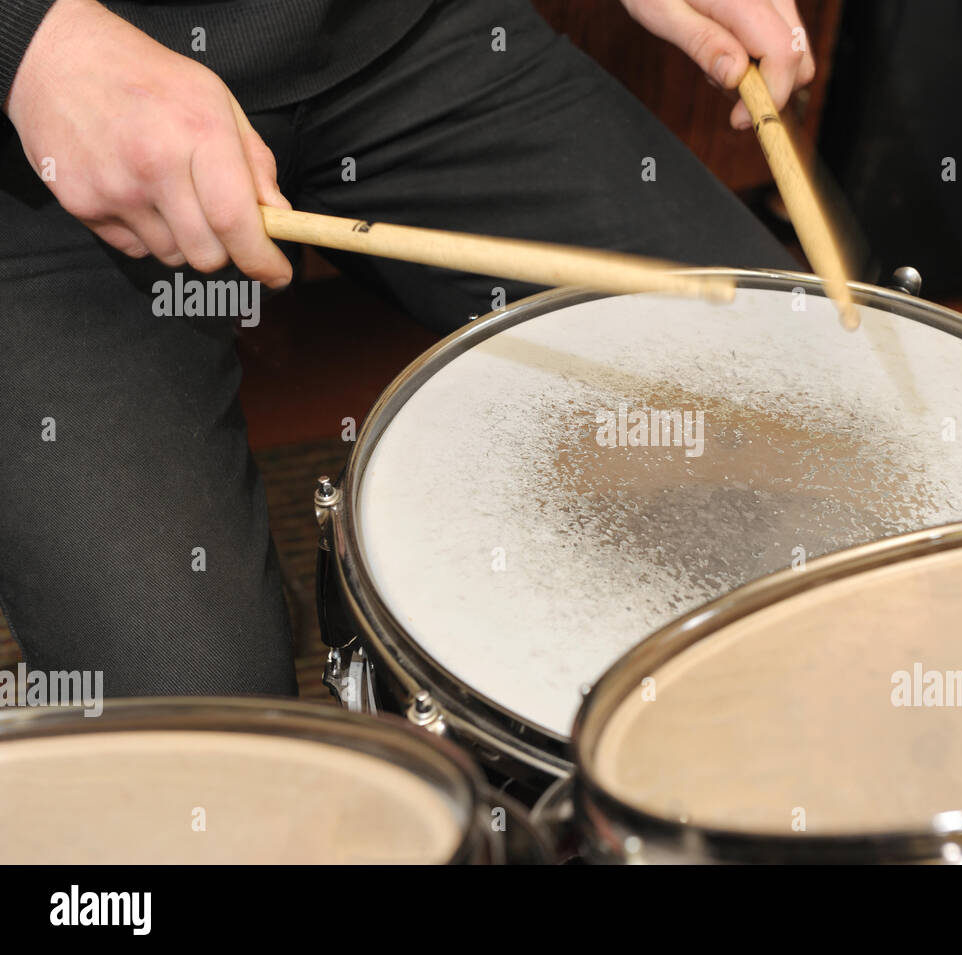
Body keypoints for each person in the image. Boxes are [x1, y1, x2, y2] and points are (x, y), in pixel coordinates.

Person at [0, 0, 811, 696]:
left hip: (399, 33)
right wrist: (34, 41)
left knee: (807, 427)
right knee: (195, 753)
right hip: (44, 114)